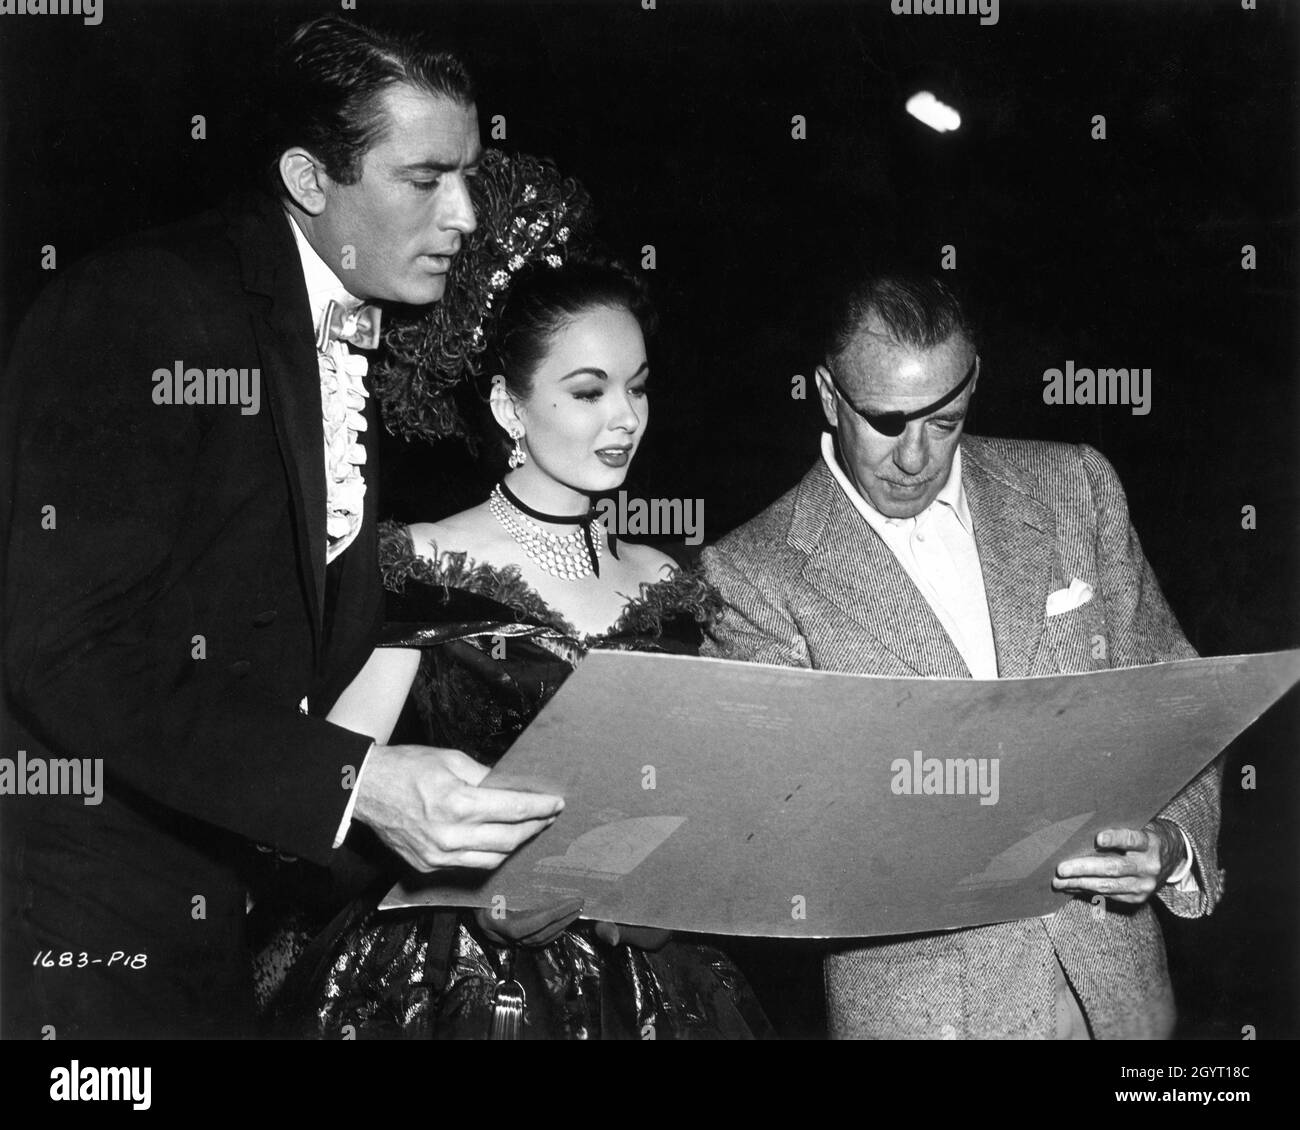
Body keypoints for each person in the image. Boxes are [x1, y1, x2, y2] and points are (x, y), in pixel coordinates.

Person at [0, 17, 561, 1041]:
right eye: (426, 178)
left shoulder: (327, 328)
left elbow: (281, 668)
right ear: (309, 176)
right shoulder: (148, 304)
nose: (467, 214)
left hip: (202, 914)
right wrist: (355, 784)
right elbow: (64, 649)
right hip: (69, 927)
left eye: (469, 176)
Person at [700, 272, 1223, 1039]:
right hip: (931, 1017)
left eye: (944, 420)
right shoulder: (751, 575)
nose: (915, 456)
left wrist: (1172, 843)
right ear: (826, 395)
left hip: (1122, 1004)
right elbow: (776, 839)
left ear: (975, 383)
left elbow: (1179, 700)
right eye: (885, 421)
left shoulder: (1075, 486)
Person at [277, 250, 773, 1040]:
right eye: (588, 391)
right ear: (510, 408)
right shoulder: (423, 563)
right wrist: (472, 880)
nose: (626, 419)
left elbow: (705, 799)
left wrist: (662, 895)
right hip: (455, 986)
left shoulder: (668, 581)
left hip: (651, 985)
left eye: (637, 387)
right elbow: (332, 787)